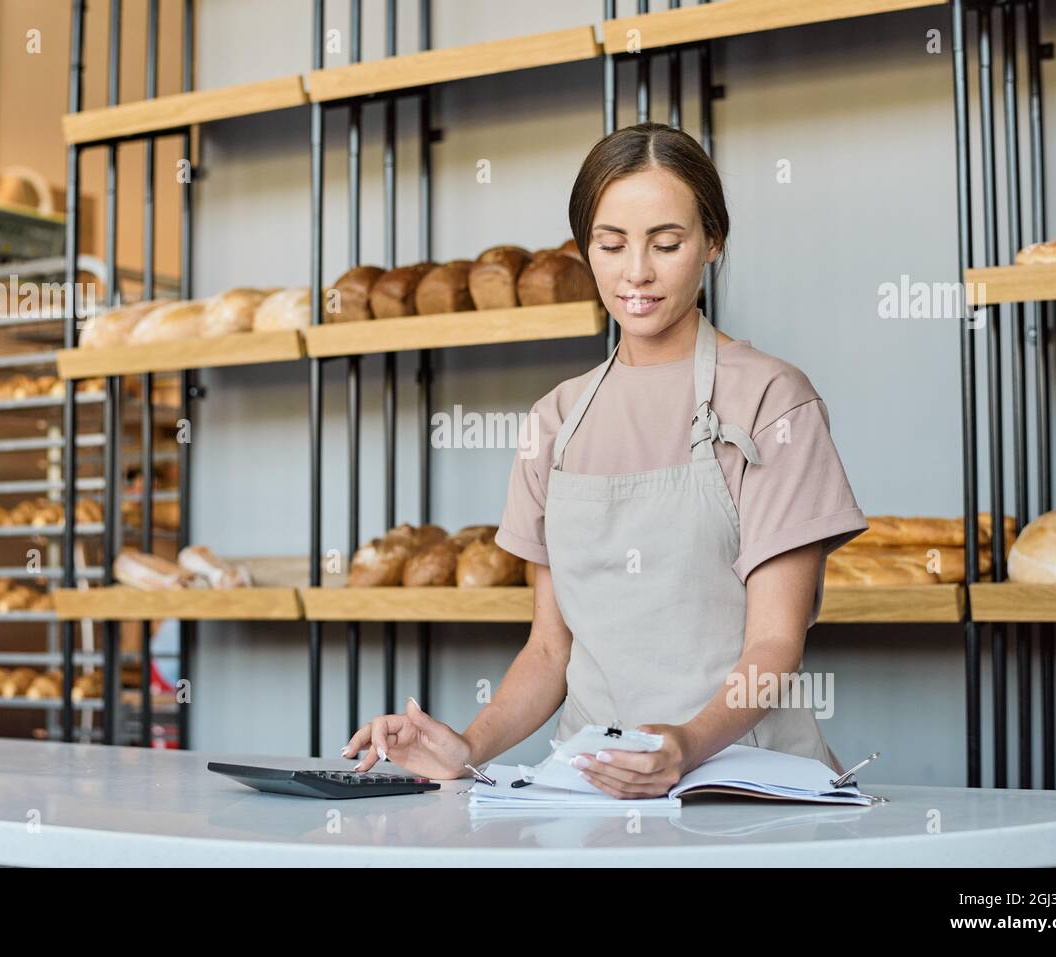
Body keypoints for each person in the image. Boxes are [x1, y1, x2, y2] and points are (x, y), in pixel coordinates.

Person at [342, 122, 869, 798]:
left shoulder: (772, 399)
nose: (637, 272)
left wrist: (683, 745)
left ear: (713, 242)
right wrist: (467, 745)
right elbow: (548, 651)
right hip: (587, 794)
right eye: (611, 244)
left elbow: (773, 649)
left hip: (743, 788)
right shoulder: (555, 421)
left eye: (667, 243)